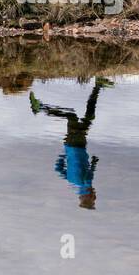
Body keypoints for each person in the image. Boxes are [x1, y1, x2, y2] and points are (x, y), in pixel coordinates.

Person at [29, 77, 112, 208]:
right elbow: (58, 168)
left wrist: (94, 162)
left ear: (87, 197)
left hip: (78, 143)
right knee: (83, 118)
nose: (95, 195)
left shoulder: (86, 184)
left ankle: (40, 107)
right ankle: (97, 86)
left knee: (73, 115)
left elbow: (90, 174)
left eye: (93, 198)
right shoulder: (72, 182)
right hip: (70, 144)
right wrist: (65, 153)